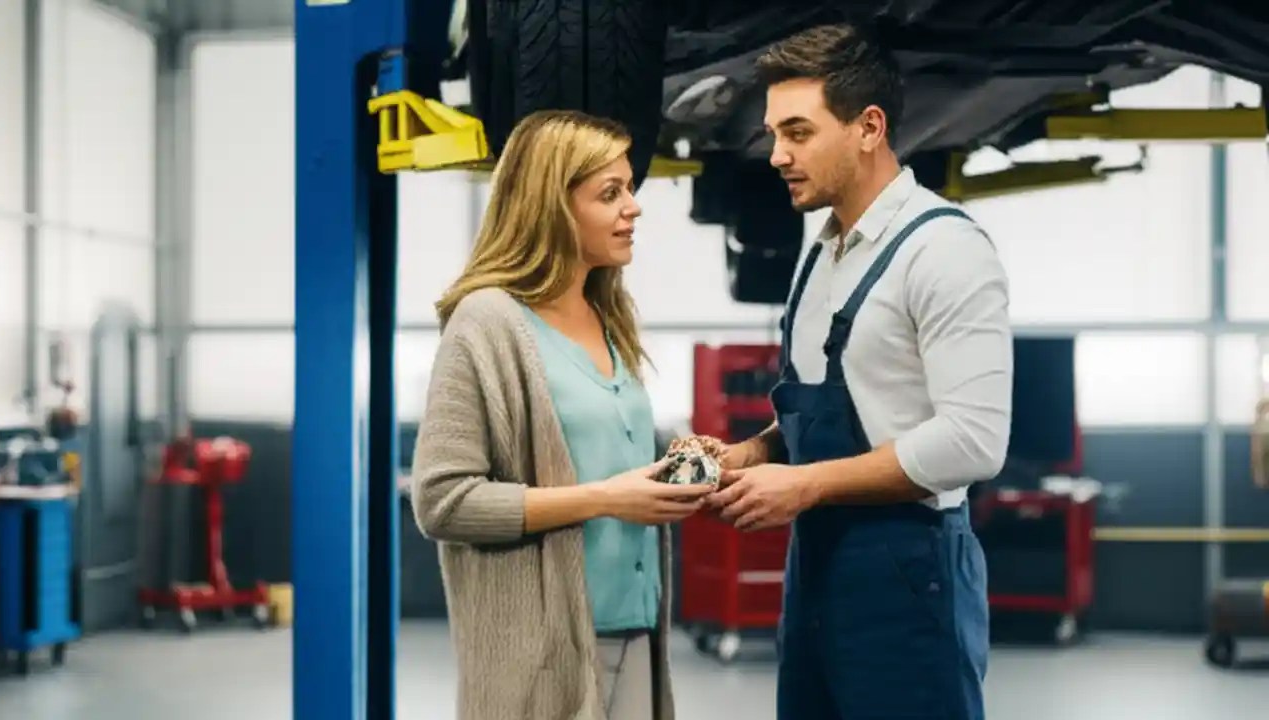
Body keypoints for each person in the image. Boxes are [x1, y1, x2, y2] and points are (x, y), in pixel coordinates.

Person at [706, 23, 1012, 720]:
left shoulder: (945, 252)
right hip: (815, 564)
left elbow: (973, 442)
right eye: (773, 133)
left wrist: (806, 484)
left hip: (912, 572)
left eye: (798, 132)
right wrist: (756, 452)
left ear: (869, 127)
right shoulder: (819, 253)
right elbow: (838, 405)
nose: (777, 154)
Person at [411, 109, 712, 720]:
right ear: (551, 205)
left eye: (630, 188)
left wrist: (676, 469)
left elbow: (605, 464)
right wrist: (603, 499)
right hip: (542, 658)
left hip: (638, 634)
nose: (633, 207)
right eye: (610, 193)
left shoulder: (608, 316)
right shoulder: (487, 323)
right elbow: (442, 500)